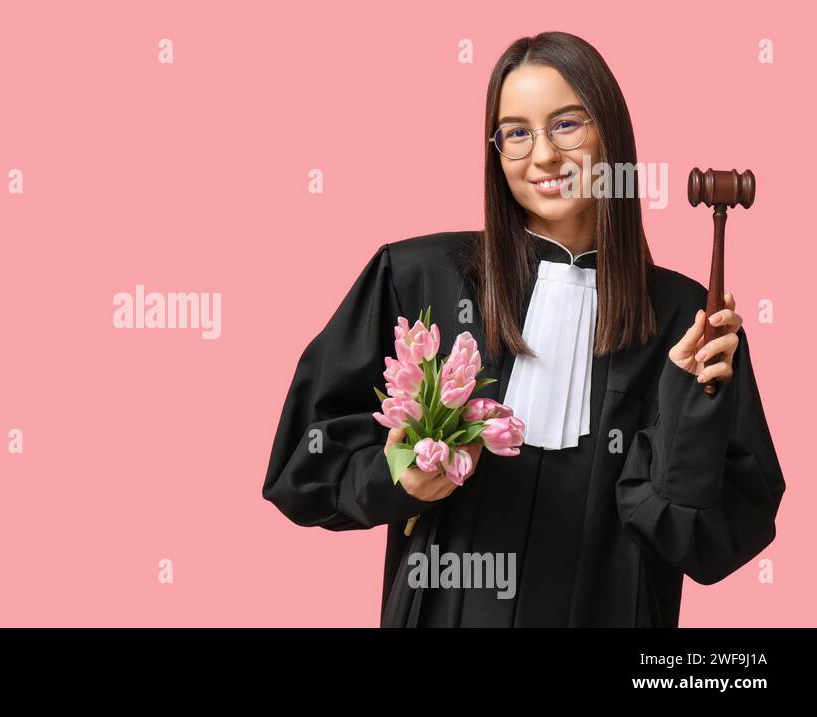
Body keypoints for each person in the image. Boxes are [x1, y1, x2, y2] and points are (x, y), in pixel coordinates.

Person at [261, 32, 785, 627]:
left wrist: (691, 417)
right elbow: (301, 466)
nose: (543, 156)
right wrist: (393, 475)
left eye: (567, 125)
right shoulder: (417, 278)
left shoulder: (685, 319)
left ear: (611, 134)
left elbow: (715, 545)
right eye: (516, 132)